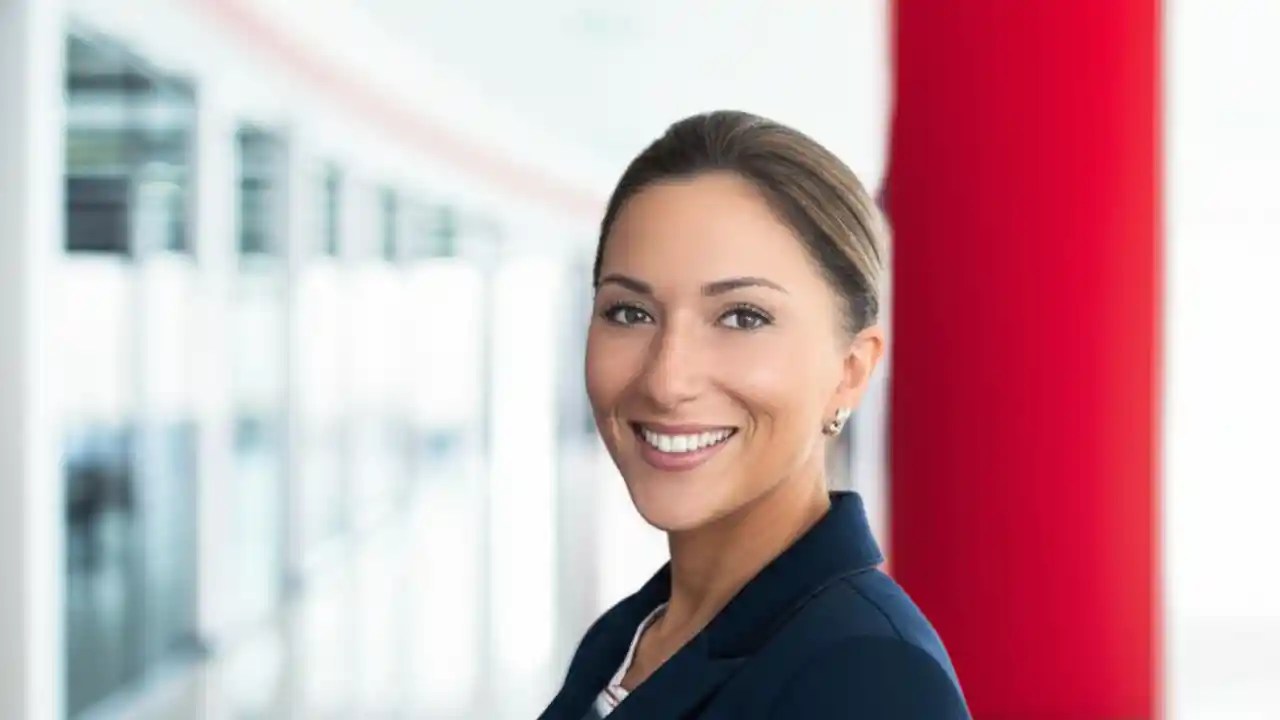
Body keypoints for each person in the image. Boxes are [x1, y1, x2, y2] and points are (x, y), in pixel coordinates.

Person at [539, 111, 970, 719]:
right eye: (630, 312)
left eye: (743, 317)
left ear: (850, 370)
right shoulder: (627, 636)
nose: (666, 381)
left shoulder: (869, 679)